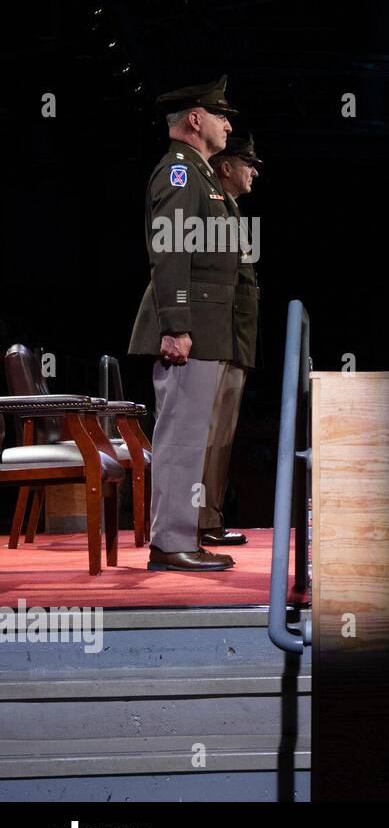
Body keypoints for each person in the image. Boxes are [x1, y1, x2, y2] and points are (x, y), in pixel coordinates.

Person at [127, 76, 240, 572]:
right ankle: (171, 543)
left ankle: (178, 537)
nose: (228, 124)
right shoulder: (178, 171)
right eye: (221, 115)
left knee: (192, 437)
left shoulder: (201, 173)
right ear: (196, 120)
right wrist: (175, 323)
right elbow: (170, 251)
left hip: (205, 327)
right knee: (180, 437)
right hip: (188, 326)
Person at [198, 134, 262, 548]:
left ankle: (208, 518)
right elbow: (187, 270)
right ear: (226, 167)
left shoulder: (230, 208)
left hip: (231, 337)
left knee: (220, 437)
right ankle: (196, 522)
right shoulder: (206, 202)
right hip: (212, 337)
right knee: (204, 436)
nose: (254, 172)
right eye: (248, 163)